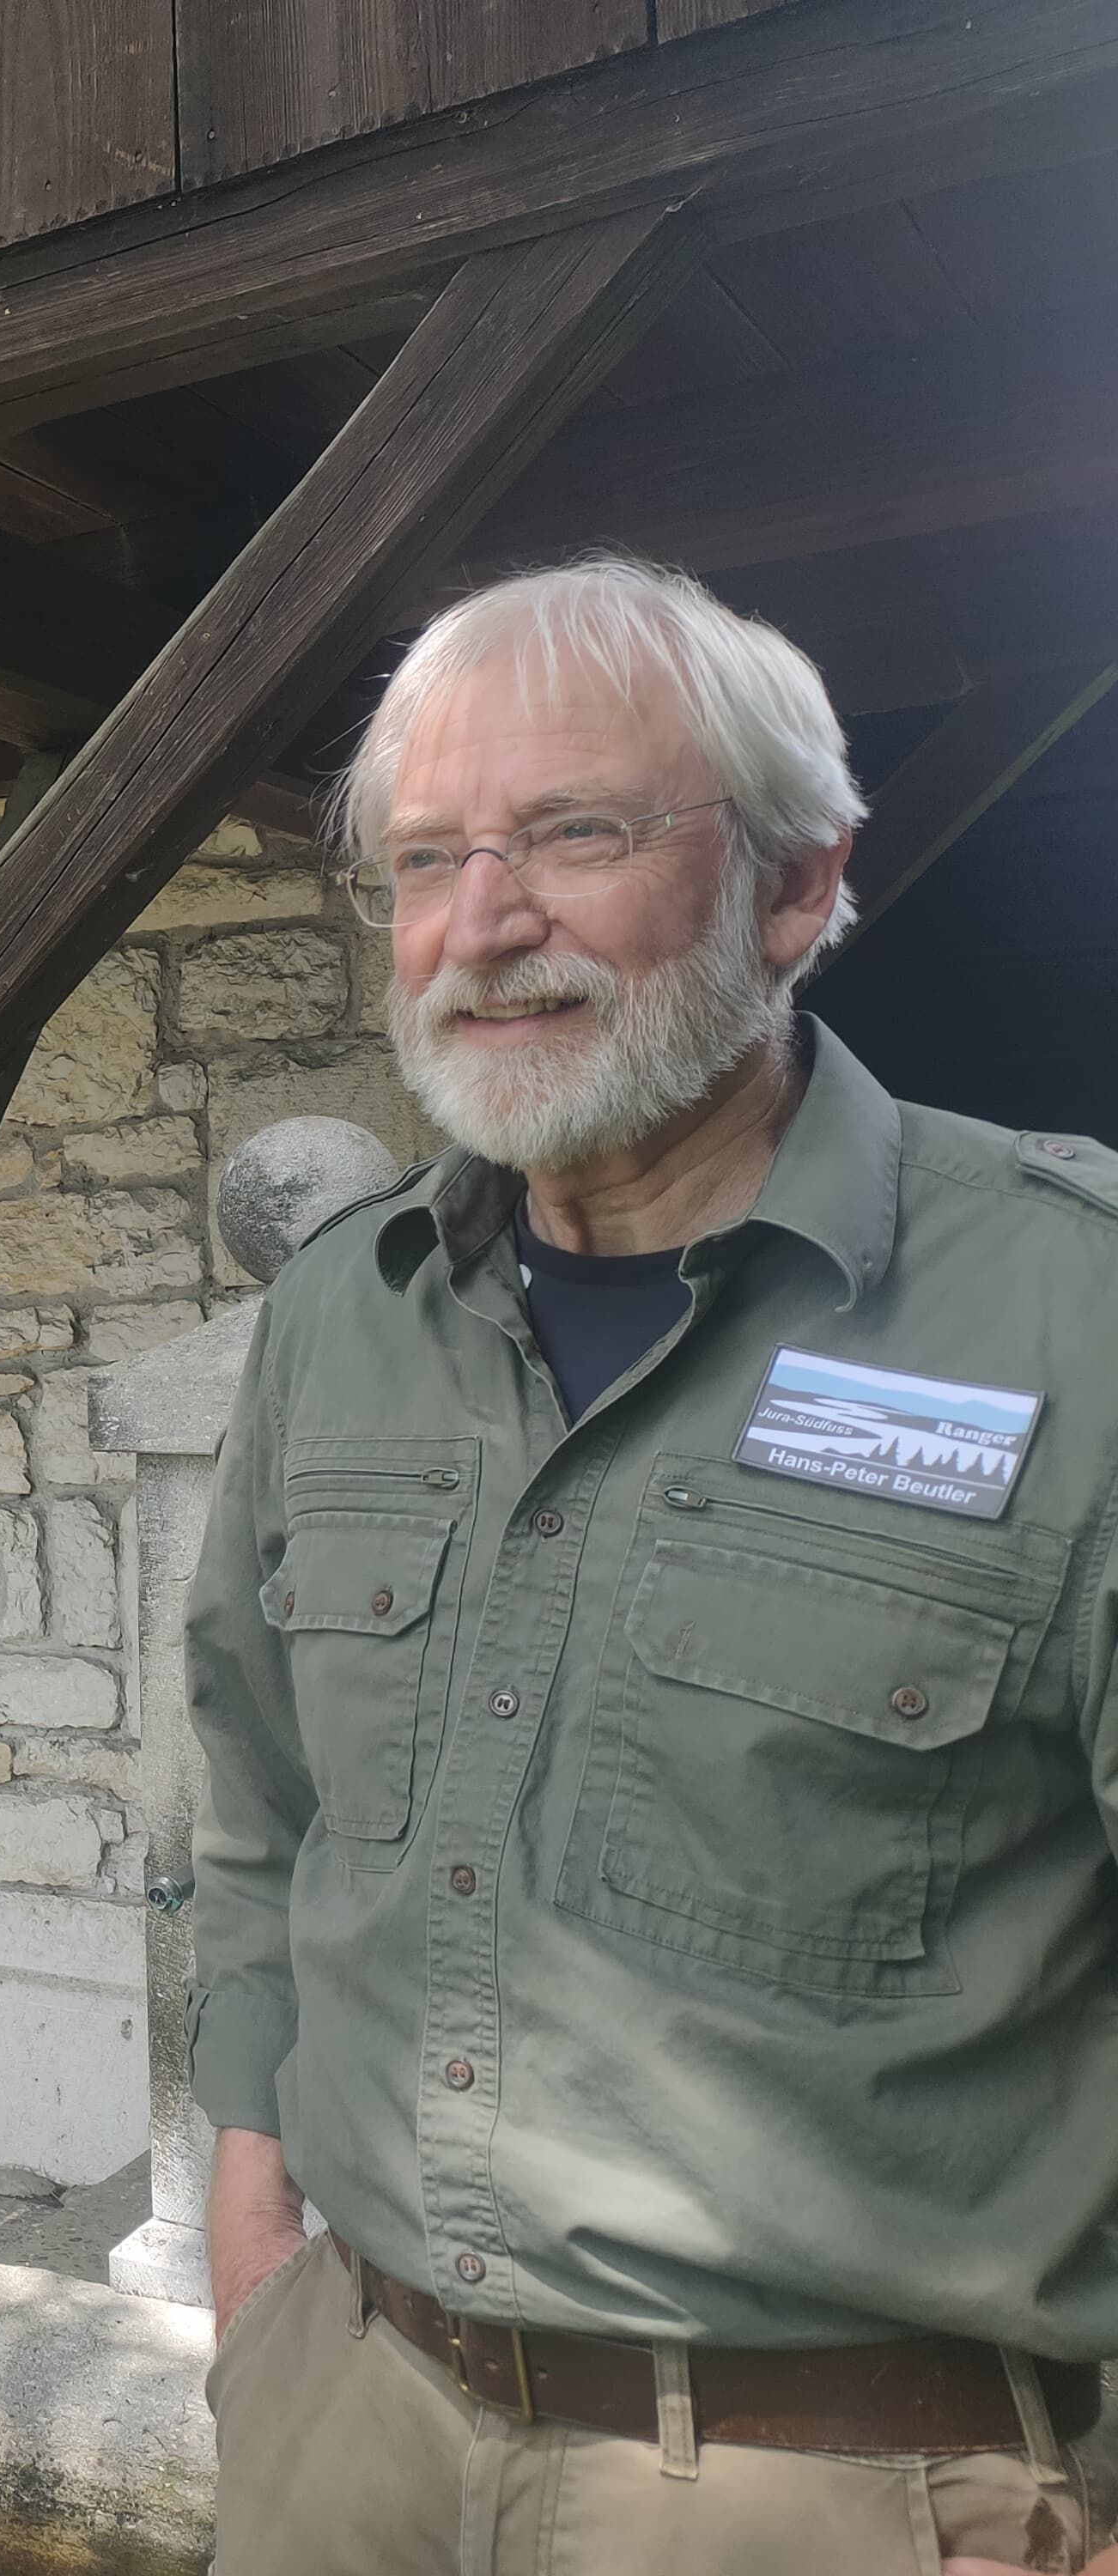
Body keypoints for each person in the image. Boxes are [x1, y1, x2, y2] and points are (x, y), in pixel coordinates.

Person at [188, 556, 1118, 2573]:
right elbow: (260, 1808)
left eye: (574, 835)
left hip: (844, 2494)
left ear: (793, 885)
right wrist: (252, 2218)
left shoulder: (1075, 1319)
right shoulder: (338, 1314)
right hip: (341, 2426)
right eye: (421, 860)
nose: (478, 924)